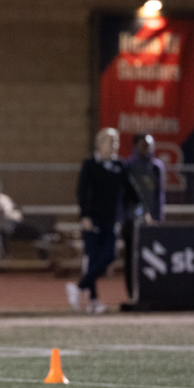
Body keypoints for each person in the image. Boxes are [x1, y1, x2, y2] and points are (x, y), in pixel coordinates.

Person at [67, 127, 141, 314]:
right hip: (92, 219)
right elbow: (82, 191)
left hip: (110, 220)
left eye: (116, 142)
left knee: (110, 255)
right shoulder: (90, 164)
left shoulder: (120, 165)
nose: (114, 146)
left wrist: (137, 210)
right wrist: (84, 216)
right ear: (100, 143)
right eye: (111, 142)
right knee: (93, 258)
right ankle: (93, 300)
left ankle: (78, 287)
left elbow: (131, 192)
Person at [123, 133, 166, 299]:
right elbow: (126, 196)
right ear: (135, 146)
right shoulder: (129, 165)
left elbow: (159, 195)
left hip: (152, 220)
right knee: (131, 258)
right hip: (131, 220)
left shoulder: (157, 167)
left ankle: (152, 292)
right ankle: (132, 293)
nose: (147, 148)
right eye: (143, 145)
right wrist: (126, 217)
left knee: (153, 256)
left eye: (149, 145)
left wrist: (158, 217)